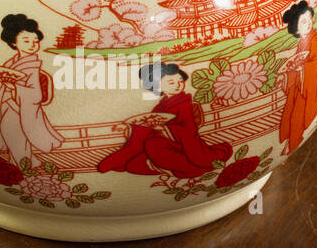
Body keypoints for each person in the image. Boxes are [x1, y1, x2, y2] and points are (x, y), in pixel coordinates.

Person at [97, 63, 231, 177]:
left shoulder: (184, 105)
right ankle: (162, 165)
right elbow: (148, 126)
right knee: (133, 165)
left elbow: (189, 130)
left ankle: (189, 169)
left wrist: (165, 129)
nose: (178, 85)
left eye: (180, 81)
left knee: (153, 145)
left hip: (185, 147)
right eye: (172, 82)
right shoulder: (160, 106)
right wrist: (129, 127)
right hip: (167, 144)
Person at [0, 14, 63, 165]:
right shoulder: (12, 63)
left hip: (21, 107)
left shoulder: (32, 67)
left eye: (35, 41)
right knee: (9, 132)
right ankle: (25, 162)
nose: (32, 45)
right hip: (9, 104)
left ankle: (24, 163)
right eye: (26, 41)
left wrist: (14, 88)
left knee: (11, 131)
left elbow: (34, 95)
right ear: (13, 43)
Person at [278, 0, 317, 155]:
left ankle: (292, 142)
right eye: (303, 22)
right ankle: (289, 142)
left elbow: (314, 62)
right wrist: (290, 73)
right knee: (292, 115)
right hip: (299, 88)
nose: (309, 23)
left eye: (309, 19)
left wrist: (301, 68)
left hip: (307, 88)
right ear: (296, 30)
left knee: (297, 117)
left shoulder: (312, 39)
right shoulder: (303, 42)